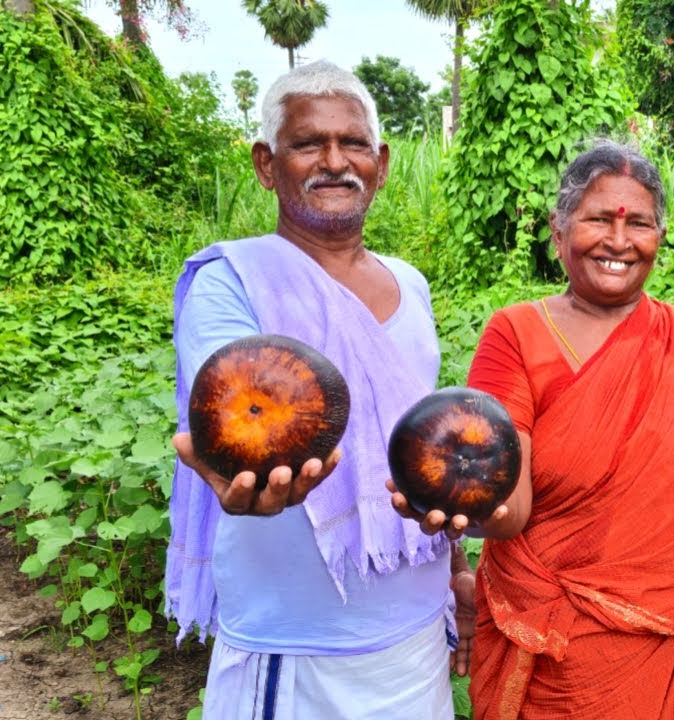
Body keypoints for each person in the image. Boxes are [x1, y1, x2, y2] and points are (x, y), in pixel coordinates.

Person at [391, 141, 674, 719]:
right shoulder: (517, 335)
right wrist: (467, 505)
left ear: (659, 236)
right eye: (598, 219)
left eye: (640, 224)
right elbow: (512, 504)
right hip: (556, 654)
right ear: (558, 229)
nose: (619, 242)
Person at [164, 60, 473, 720]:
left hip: (415, 636)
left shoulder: (411, 286)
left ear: (382, 162)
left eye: (353, 143)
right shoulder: (232, 283)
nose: (335, 161)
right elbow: (232, 421)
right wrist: (232, 471)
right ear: (267, 165)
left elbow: (413, 446)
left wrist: (455, 570)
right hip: (294, 646)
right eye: (308, 143)